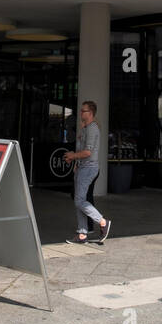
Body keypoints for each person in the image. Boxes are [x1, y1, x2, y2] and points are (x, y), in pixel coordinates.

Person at [62, 100, 110, 245]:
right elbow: (81, 150)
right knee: (79, 200)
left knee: (79, 200)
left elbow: (88, 152)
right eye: (81, 110)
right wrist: (75, 160)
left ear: (91, 113)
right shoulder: (85, 128)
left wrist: (73, 156)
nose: (81, 113)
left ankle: (102, 222)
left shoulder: (92, 129)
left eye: (84, 111)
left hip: (89, 168)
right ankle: (82, 234)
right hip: (82, 167)